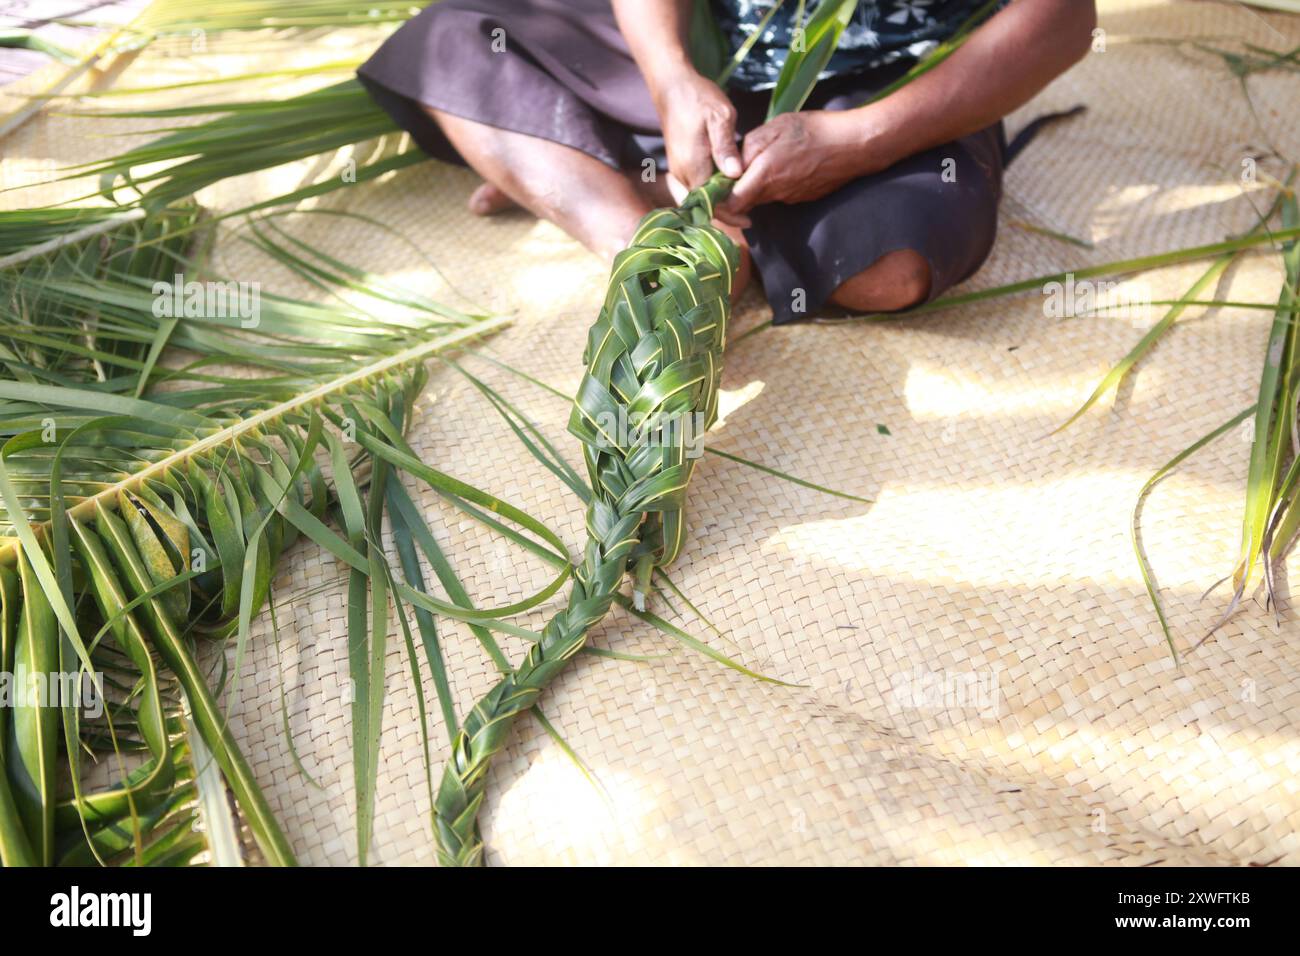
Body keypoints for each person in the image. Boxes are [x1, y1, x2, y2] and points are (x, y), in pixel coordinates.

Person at [358, 1, 1095, 324]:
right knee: (452, 40)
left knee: (891, 266)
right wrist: (672, 78)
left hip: (900, 81)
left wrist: (858, 143)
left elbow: (1061, 19)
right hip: (716, 42)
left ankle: (622, 175)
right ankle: (649, 246)